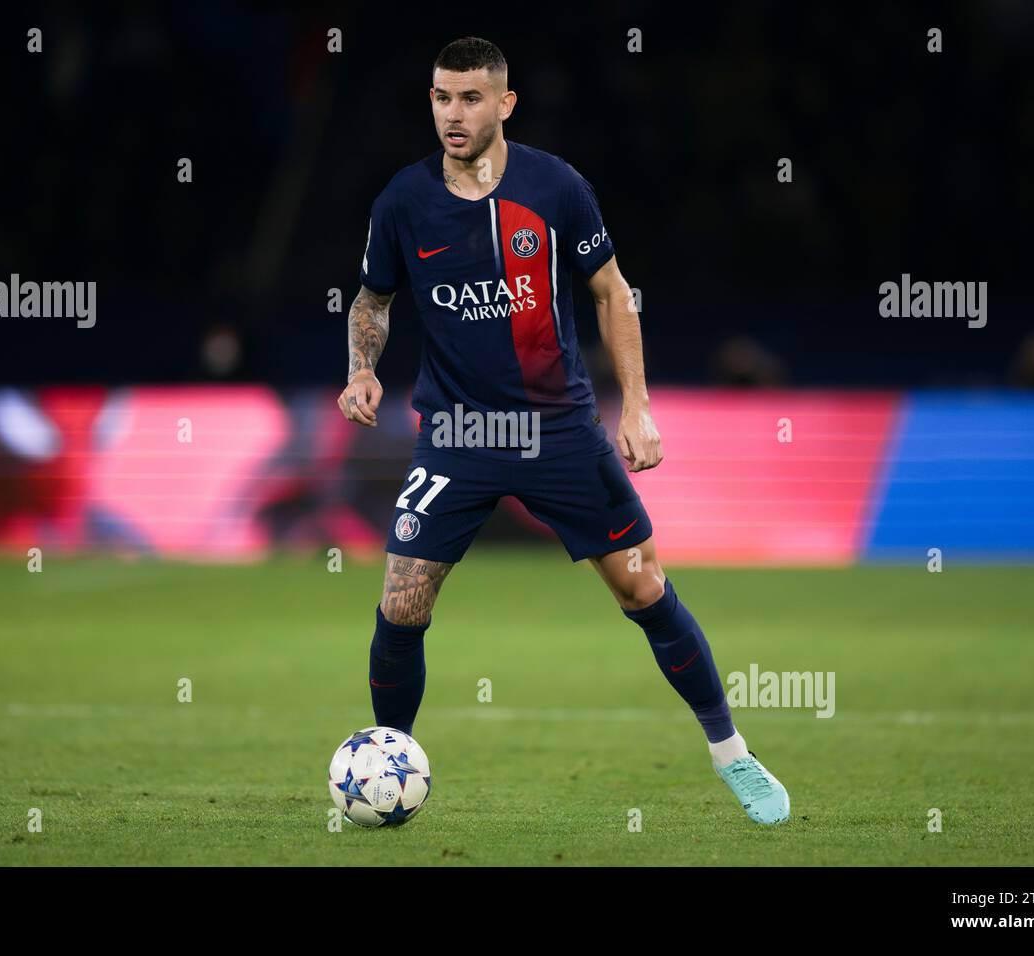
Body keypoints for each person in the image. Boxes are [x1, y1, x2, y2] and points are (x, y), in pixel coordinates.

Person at [337, 37, 788, 824]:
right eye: (442, 97)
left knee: (642, 586)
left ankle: (733, 755)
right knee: (403, 601)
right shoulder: (403, 201)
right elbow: (373, 300)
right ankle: (383, 765)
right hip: (458, 433)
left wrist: (637, 404)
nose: (453, 113)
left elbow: (613, 293)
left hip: (558, 428)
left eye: (471, 98)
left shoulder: (556, 187)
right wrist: (362, 367)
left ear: (505, 104)